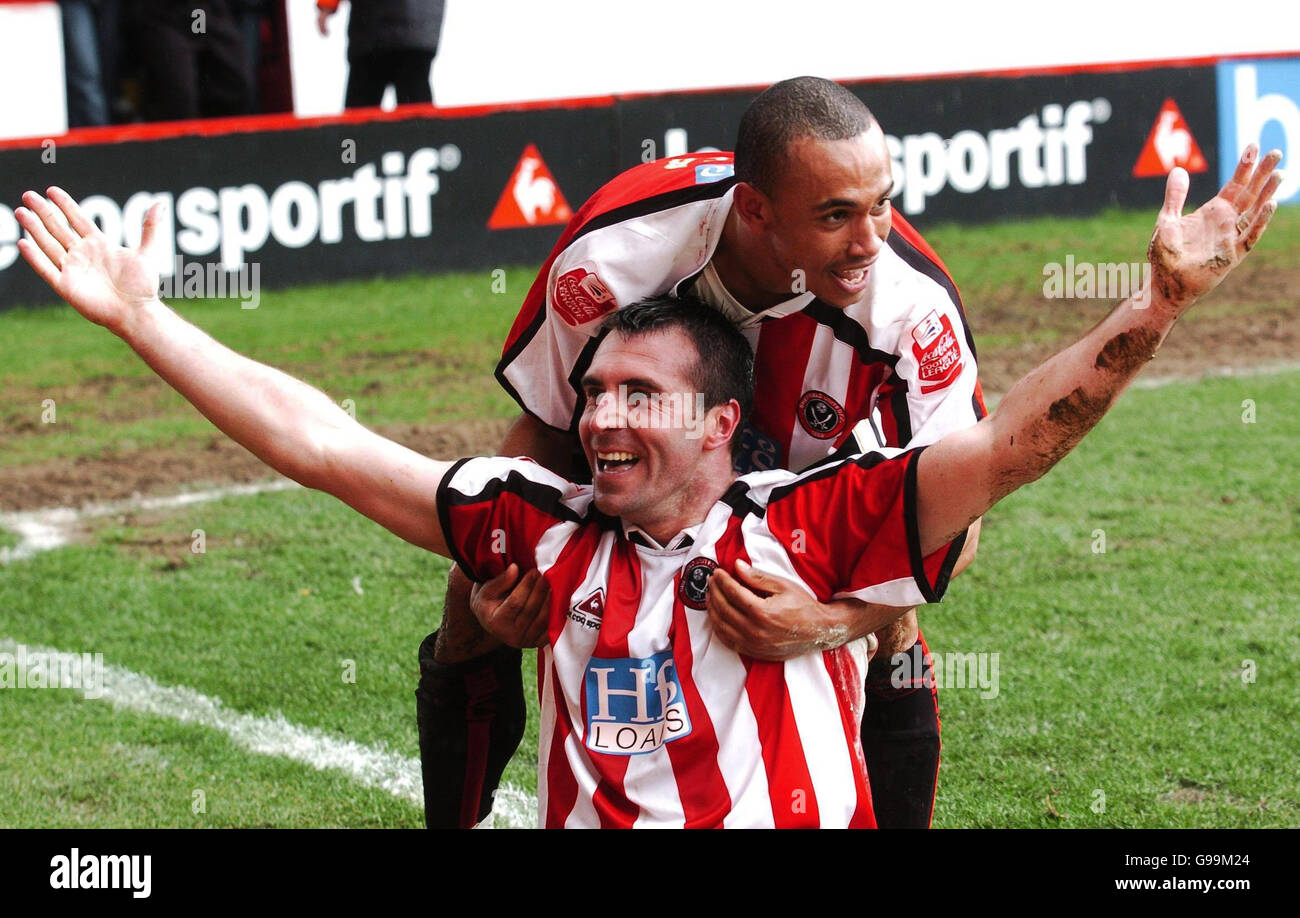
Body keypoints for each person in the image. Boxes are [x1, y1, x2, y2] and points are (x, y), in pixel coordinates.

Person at [13, 143, 1279, 825]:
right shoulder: (545, 514)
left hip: (825, 589)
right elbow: (324, 441)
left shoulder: (810, 523)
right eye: (597, 390)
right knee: (469, 605)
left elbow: (1009, 448)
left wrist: (1155, 305)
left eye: (637, 397)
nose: (601, 413)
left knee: (903, 647)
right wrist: (144, 321)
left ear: (726, 425)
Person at [420, 76, 988, 830]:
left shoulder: (912, 308)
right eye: (834, 216)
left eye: (882, 203)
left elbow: (954, 526)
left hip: (811, 481)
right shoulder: (613, 256)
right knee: (470, 598)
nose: (871, 243)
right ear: (754, 208)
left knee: (895, 628)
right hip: (644, 463)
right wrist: (512, 564)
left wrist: (830, 621)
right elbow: (549, 425)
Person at [316, 0, 445, 109]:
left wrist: (327, 6)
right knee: (415, 106)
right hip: (412, 31)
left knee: (361, 113)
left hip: (375, 31)